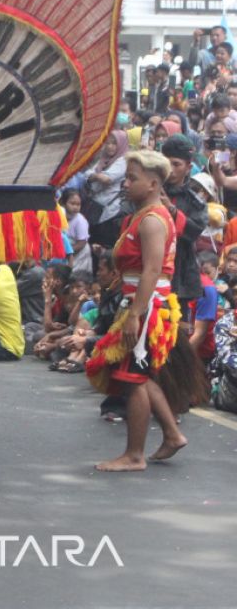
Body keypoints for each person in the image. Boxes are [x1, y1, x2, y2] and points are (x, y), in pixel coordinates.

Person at [85, 149, 188, 471]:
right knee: (139, 376)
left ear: (154, 183)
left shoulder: (153, 220)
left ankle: (134, 455)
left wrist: (134, 314)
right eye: (126, 177)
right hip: (140, 304)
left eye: (132, 178)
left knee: (132, 378)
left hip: (146, 310)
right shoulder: (143, 216)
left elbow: (152, 271)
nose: (125, 183)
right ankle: (172, 435)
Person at [160, 135, 208, 306]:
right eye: (167, 163)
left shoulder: (195, 202)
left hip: (180, 268)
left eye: (176, 164)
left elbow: (194, 232)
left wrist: (171, 210)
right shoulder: (149, 190)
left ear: (188, 167)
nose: (170, 169)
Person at [83, 131, 128, 248]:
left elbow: (106, 179)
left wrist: (94, 176)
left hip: (109, 210)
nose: (109, 146)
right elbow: (86, 174)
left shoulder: (123, 161)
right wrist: (96, 176)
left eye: (114, 143)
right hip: (95, 206)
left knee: (103, 243)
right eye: (107, 143)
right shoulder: (103, 159)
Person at [61, 189, 93, 280]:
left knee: (76, 278)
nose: (75, 207)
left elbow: (81, 243)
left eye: (78, 204)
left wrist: (66, 252)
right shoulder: (60, 216)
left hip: (79, 253)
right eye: (72, 203)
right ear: (63, 203)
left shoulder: (80, 220)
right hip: (66, 253)